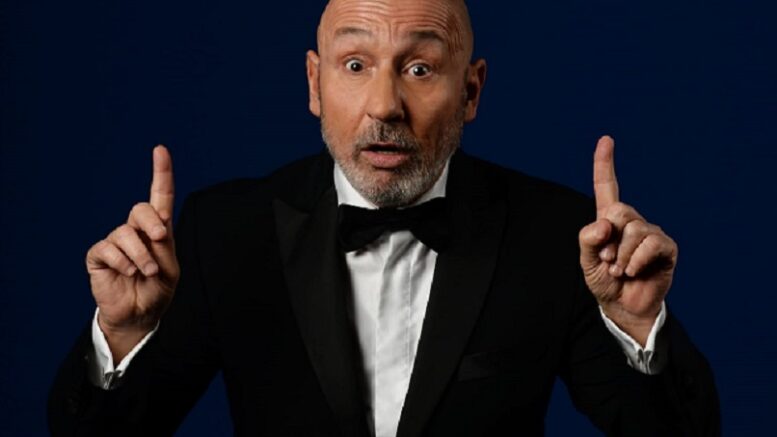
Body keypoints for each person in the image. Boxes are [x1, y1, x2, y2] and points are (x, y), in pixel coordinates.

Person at [48, 0, 720, 435]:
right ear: (314, 84)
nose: (384, 105)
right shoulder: (224, 230)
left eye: (420, 68)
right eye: (355, 64)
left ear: (471, 91)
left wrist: (637, 328)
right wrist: (123, 336)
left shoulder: (557, 236)